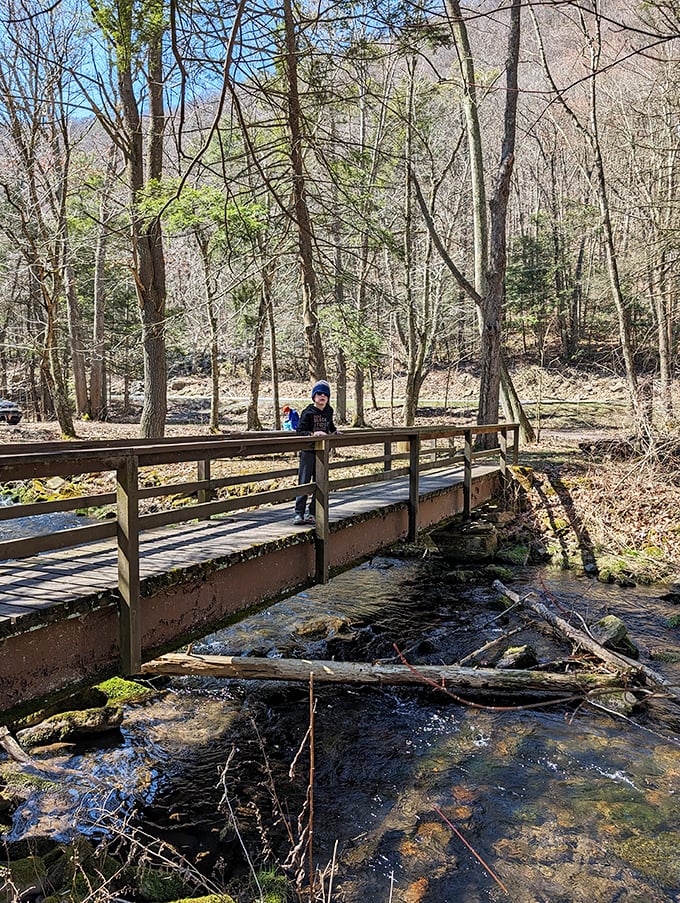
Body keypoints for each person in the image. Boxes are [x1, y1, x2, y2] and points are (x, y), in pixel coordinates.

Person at [293, 379, 337, 525]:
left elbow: (329, 425)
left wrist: (335, 431)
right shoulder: (308, 412)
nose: (322, 396)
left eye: (325, 394)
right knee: (304, 480)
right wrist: (312, 434)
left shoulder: (329, 411)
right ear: (314, 397)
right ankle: (299, 513)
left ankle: (312, 512)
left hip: (322, 451)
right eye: (319, 394)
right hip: (308, 451)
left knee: (320, 481)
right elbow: (299, 431)